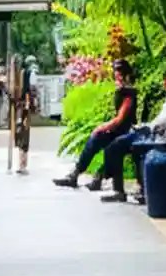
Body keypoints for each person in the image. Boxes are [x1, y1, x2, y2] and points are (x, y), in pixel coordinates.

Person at [100, 69, 166, 204]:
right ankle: (134, 188)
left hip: (157, 135)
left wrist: (147, 127)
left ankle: (118, 188)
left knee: (116, 146)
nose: (163, 84)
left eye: (165, 81)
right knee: (119, 146)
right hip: (153, 132)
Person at [53, 59, 137, 191]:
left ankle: (99, 176)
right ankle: (76, 174)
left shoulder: (129, 93)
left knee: (110, 145)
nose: (117, 76)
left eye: (120, 73)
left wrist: (103, 127)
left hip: (125, 131)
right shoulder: (121, 90)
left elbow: (120, 118)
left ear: (126, 74)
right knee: (95, 139)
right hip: (118, 130)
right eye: (116, 73)